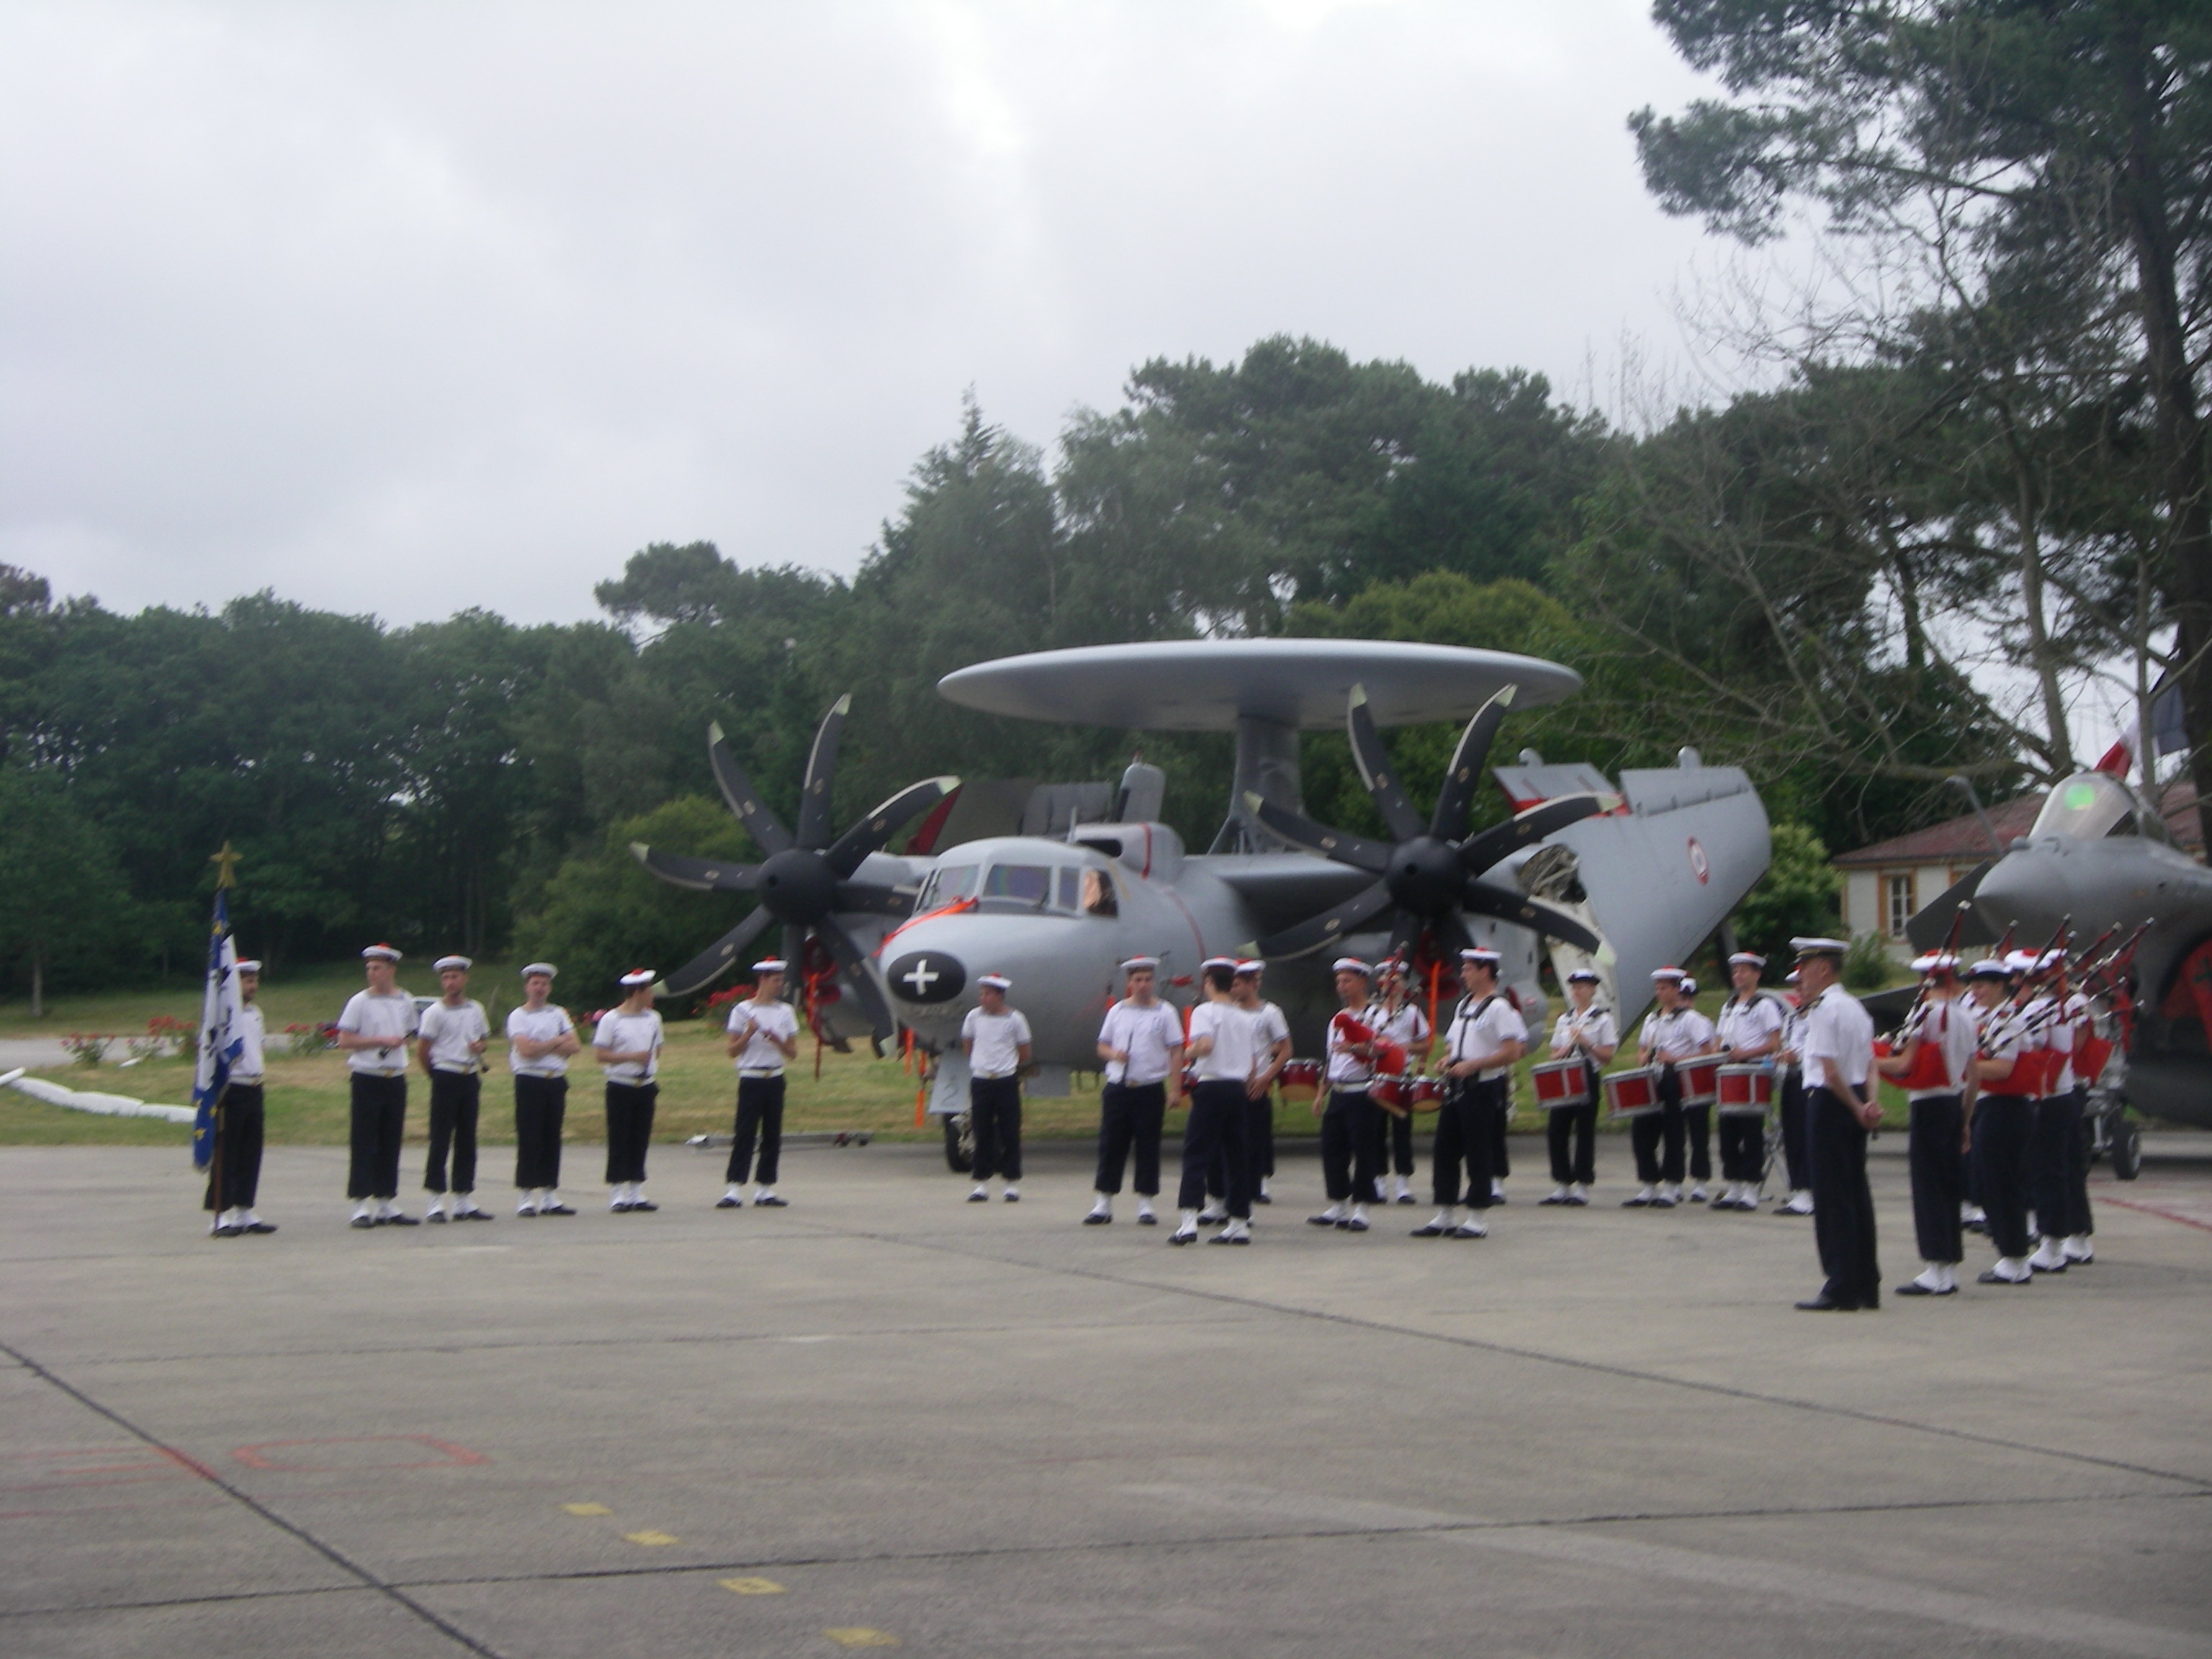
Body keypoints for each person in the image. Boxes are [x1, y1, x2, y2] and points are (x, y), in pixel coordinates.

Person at [1791, 936, 1881, 1310]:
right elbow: (1871, 1064)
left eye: (1805, 968)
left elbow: (1829, 1072)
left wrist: (1857, 1107)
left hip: (1831, 1102)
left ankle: (1841, 1284)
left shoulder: (1825, 1010)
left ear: (1824, 969)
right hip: (1854, 1094)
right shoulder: (1855, 1007)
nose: (1800, 976)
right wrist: (1869, 1103)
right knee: (1855, 1193)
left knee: (1832, 1197)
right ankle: (1866, 1283)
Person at [1878, 951, 1975, 1296]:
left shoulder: (1926, 1012)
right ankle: (1949, 1267)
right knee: (1948, 1187)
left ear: (1926, 981)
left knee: (1928, 1187)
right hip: (1953, 1102)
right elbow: (1974, 1076)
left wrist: (1869, 1059)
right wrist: (1966, 1119)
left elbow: (1904, 1064)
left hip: (1928, 1103)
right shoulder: (1965, 1015)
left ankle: (1936, 1267)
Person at [1416, 948, 1525, 1239]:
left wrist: (1473, 1065)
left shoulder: (1499, 1008)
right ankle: (1445, 1212)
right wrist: (1448, 1059)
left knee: (1479, 1151)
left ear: (1484, 971)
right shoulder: (1464, 1004)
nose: (1462, 974)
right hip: (1457, 1086)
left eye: (1468, 968)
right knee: (1445, 1149)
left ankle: (1477, 1217)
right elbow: (1454, 1043)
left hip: (1483, 1087)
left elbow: (1513, 1052)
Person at [1087, 956, 1183, 1226]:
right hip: (1119, 1087)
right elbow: (1102, 1046)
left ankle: (1146, 1203)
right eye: (1138, 980)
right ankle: (1104, 1202)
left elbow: (1176, 1050)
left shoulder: (1165, 1012)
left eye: (1148, 980)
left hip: (1149, 1088)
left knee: (1148, 1145)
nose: (1143, 985)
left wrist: (1175, 1088)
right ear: (1129, 982)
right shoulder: (1118, 1011)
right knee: (1111, 1144)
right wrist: (1114, 1054)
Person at [336, 944, 421, 1229]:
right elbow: (344, 1040)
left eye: (378, 968)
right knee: (364, 1140)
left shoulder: (405, 999)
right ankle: (360, 1203)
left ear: (391, 969)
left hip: (394, 1076)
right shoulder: (360, 1001)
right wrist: (380, 1041)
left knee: (390, 1139)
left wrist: (401, 1041)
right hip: (367, 1076)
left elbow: (410, 1031)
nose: (372, 973)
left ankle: (386, 1201)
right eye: (369, 968)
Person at [1173, 958, 1256, 1245]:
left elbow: (1206, 1045)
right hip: (1237, 1088)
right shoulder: (1245, 1017)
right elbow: (1252, 1063)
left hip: (1211, 1086)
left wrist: (1188, 1053)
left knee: (1197, 1153)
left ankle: (1188, 1220)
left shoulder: (1204, 1012)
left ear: (1209, 982)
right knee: (1236, 1155)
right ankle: (1239, 1221)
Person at [1966, 956, 2039, 1285]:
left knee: (2002, 1184)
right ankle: (2009, 1252)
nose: (1975, 991)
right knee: (1987, 1182)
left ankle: (2014, 1258)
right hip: (1990, 1106)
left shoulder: (2007, 1020)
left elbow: (2002, 1069)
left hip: (2005, 1108)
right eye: (1972, 986)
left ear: (2000, 986)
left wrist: (1959, 1065)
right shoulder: (1987, 1018)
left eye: (1981, 985)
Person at [2023, 951, 2095, 1274]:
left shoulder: (2052, 1007)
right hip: (2064, 1091)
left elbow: (2051, 1049)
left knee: (2052, 1169)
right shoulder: (2065, 1004)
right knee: (2064, 1167)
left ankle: (2059, 1237)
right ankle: (2073, 1234)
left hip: (2055, 1092)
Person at [416, 954, 491, 1223]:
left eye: (455, 977)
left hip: (469, 1076)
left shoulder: (475, 1009)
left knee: (467, 1138)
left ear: (464, 979)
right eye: (446, 978)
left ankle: (463, 1198)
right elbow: (423, 1050)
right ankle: (435, 1200)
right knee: (440, 1138)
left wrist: (480, 1047)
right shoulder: (435, 1012)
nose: (451, 982)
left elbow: (483, 1039)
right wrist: (435, 1075)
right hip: (446, 1074)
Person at [1310, 958, 1383, 1232]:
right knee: (1333, 1150)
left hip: (1363, 1091)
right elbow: (1331, 1060)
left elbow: (1383, 1051)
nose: (1341, 986)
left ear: (1362, 982)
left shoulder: (1376, 1015)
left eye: (1347, 981)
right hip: (1339, 1092)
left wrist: (1354, 1048)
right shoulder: (1337, 1020)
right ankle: (1338, 1204)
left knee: (1363, 1151)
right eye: (1339, 981)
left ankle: (1362, 1207)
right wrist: (1321, 1094)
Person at [721, 958, 801, 1208]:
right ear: (763, 980)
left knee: (772, 1133)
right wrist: (748, 1032)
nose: (780, 985)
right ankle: (734, 1187)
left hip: (774, 1077)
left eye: (781, 980)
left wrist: (778, 1041)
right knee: (745, 1133)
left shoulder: (785, 1012)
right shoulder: (742, 1010)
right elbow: (732, 1051)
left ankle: (765, 1188)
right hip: (751, 1078)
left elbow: (793, 1052)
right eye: (776, 980)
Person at [1625, 967, 1705, 1209]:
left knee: (1673, 1133)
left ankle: (1671, 1186)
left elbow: (1707, 1052)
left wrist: (1676, 1059)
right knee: (1642, 1131)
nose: (1659, 992)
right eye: (1657, 988)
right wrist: (1643, 1056)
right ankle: (1648, 1183)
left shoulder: (1690, 1019)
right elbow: (1642, 1048)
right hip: (1652, 1077)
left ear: (1676, 989)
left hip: (1676, 1078)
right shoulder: (1652, 1019)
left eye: (1664, 988)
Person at [205, 958, 274, 1238]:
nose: (253, 986)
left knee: (250, 1151)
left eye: (255, 981)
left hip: (254, 1087)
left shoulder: (255, 1013)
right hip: (231, 1089)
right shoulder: (223, 1016)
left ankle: (245, 1209)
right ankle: (221, 1213)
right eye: (247, 981)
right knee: (228, 1152)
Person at [1712, 951, 1786, 1210]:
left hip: (1752, 1071)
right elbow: (1718, 1041)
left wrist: (1746, 1053)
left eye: (1744, 971)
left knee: (1751, 1132)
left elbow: (1775, 1043)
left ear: (1756, 974)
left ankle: (1751, 1189)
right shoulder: (1729, 1006)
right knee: (1728, 1133)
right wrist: (1720, 1053)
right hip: (1729, 1072)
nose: (1738, 975)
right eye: (1735, 971)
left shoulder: (1764, 1005)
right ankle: (1733, 1186)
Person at [508, 963, 580, 1215]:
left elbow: (575, 1046)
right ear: (527, 987)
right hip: (530, 1080)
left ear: (549, 988)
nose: (539, 988)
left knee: (552, 1136)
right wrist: (557, 1041)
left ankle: (550, 1195)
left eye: (544, 984)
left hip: (555, 1080)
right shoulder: (519, 1016)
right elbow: (526, 1051)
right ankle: (526, 1196)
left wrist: (544, 1045)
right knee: (530, 1137)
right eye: (535, 983)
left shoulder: (558, 1013)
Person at [1541, 967, 1614, 1205]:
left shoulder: (1602, 1019)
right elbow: (1554, 1051)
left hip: (1587, 1076)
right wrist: (1560, 1053)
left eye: (1581, 987)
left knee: (1584, 1131)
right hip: (1565, 1076)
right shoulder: (1565, 1018)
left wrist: (1586, 1043)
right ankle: (1562, 1183)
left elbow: (1607, 1056)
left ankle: (1582, 1185)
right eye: (1574, 987)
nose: (1576, 992)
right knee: (1556, 1130)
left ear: (1592, 989)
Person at [594, 969, 665, 1213]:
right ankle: (617, 1191)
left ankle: (636, 1190)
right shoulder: (612, 1019)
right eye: (649, 990)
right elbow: (601, 1055)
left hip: (645, 1085)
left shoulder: (653, 1018)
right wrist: (631, 1057)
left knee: (640, 1137)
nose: (652, 995)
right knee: (620, 1138)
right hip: (620, 1085)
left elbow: (658, 1049)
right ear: (637, 992)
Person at [963, 974, 1033, 1202]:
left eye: (988, 994)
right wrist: (981, 1063)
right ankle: (981, 1183)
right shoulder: (974, 1017)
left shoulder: (1015, 1019)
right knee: (982, 1131)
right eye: (982, 994)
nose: (983, 998)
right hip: (982, 1080)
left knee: (1009, 1131)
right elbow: (968, 1045)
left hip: (1005, 1081)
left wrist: (1007, 1065)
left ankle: (1011, 1182)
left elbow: (1024, 1051)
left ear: (1000, 995)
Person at [1372, 957, 1432, 1203]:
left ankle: (1403, 1183)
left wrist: (1403, 1047)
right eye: (1389, 981)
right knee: (1376, 1131)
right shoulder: (1372, 1012)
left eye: (1397, 981)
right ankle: (1378, 1181)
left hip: (1402, 1077)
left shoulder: (1412, 1012)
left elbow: (1425, 1044)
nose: (1392, 986)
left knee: (1402, 1131)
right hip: (1377, 1077)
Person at [1231, 959, 1291, 1205]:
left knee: (1257, 1138)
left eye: (1237, 984)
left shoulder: (1269, 1013)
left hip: (1257, 1084)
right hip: (1233, 1083)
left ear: (1252, 984)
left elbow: (1285, 1049)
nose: (1233, 989)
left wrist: (1267, 1077)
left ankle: (1259, 1183)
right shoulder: (1229, 1011)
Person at [1773, 968, 1815, 1215]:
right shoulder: (1793, 1017)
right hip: (1791, 1077)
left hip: (1810, 1079)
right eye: (1795, 986)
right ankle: (1799, 1188)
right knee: (1792, 1134)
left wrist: (1796, 1056)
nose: (1799, 990)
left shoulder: (1819, 1015)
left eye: (1802, 984)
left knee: (1806, 1134)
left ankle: (1810, 1190)